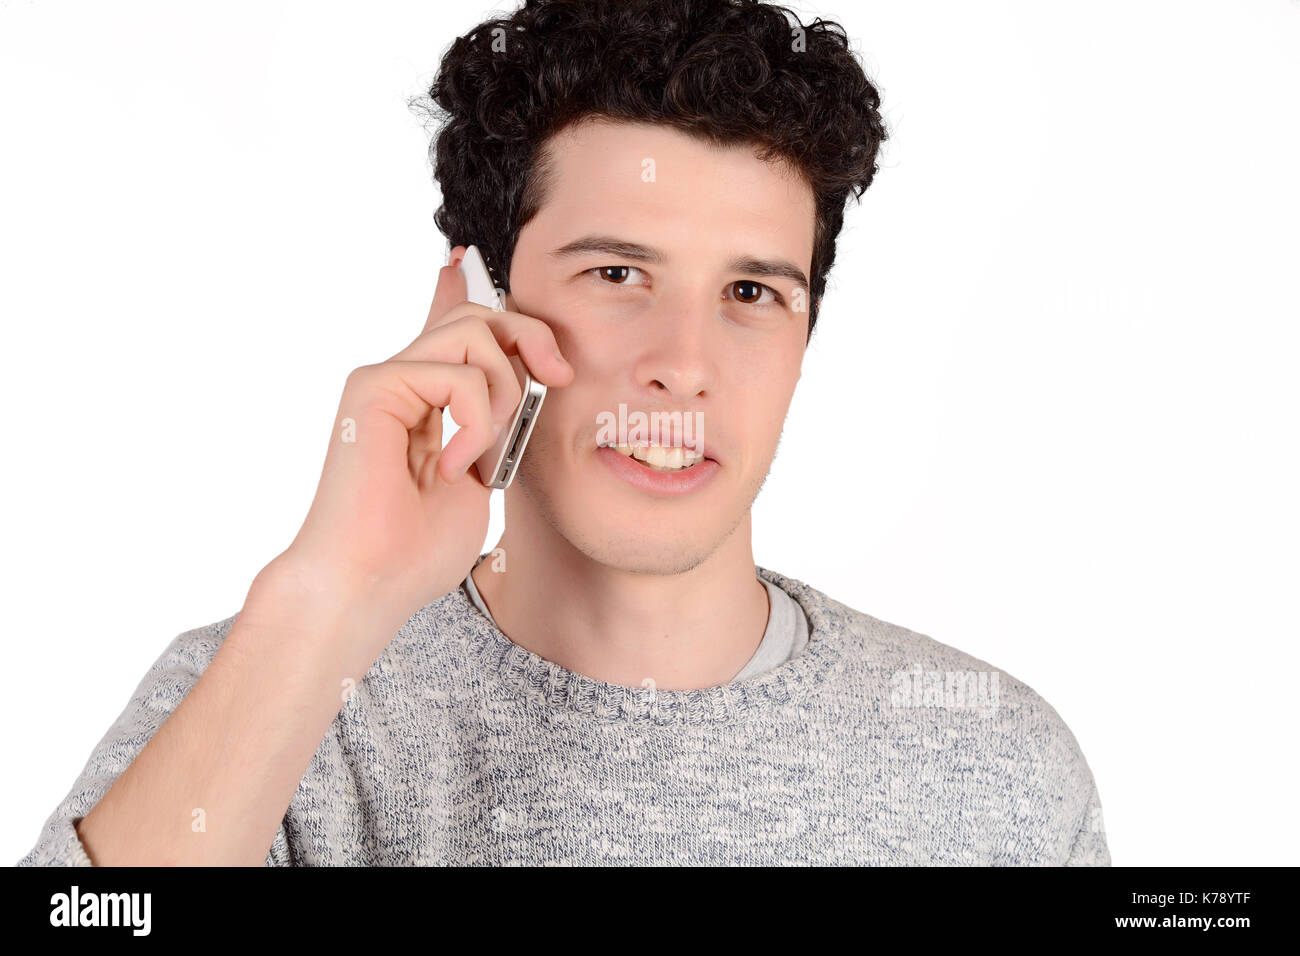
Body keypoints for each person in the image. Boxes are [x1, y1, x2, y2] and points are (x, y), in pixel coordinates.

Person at [18, 0, 1109, 866]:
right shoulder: (275, 689)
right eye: (618, 272)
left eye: (750, 291)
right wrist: (329, 592)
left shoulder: (996, 761)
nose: (683, 360)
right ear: (476, 300)